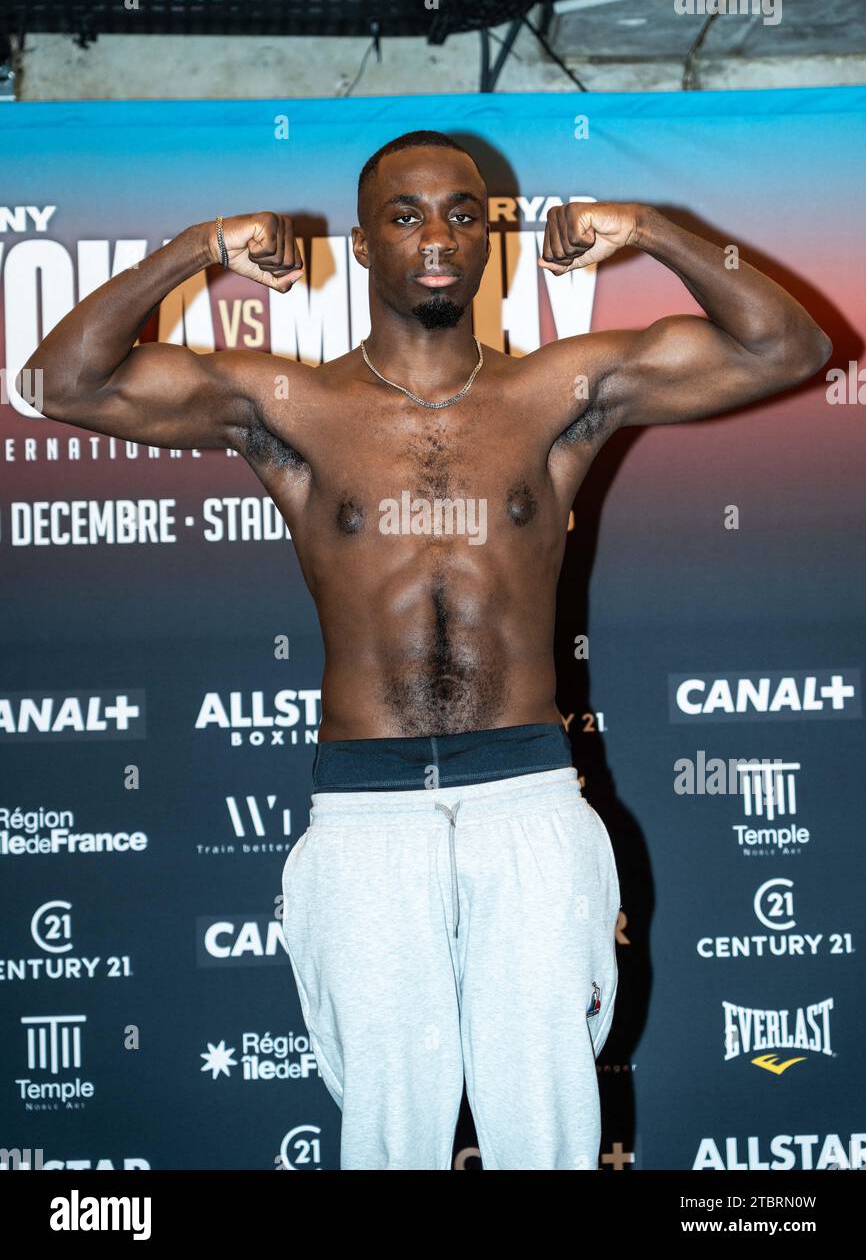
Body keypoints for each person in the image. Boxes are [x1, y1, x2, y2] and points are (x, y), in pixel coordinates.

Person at [18, 129, 832, 1171]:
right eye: (404, 215)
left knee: (547, 1136)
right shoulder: (294, 406)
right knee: (388, 1141)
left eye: (461, 213)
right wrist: (196, 247)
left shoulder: (558, 394)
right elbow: (62, 382)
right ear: (362, 245)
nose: (435, 236)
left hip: (524, 802)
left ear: (489, 239)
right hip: (365, 819)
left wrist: (647, 228)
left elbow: (787, 349)